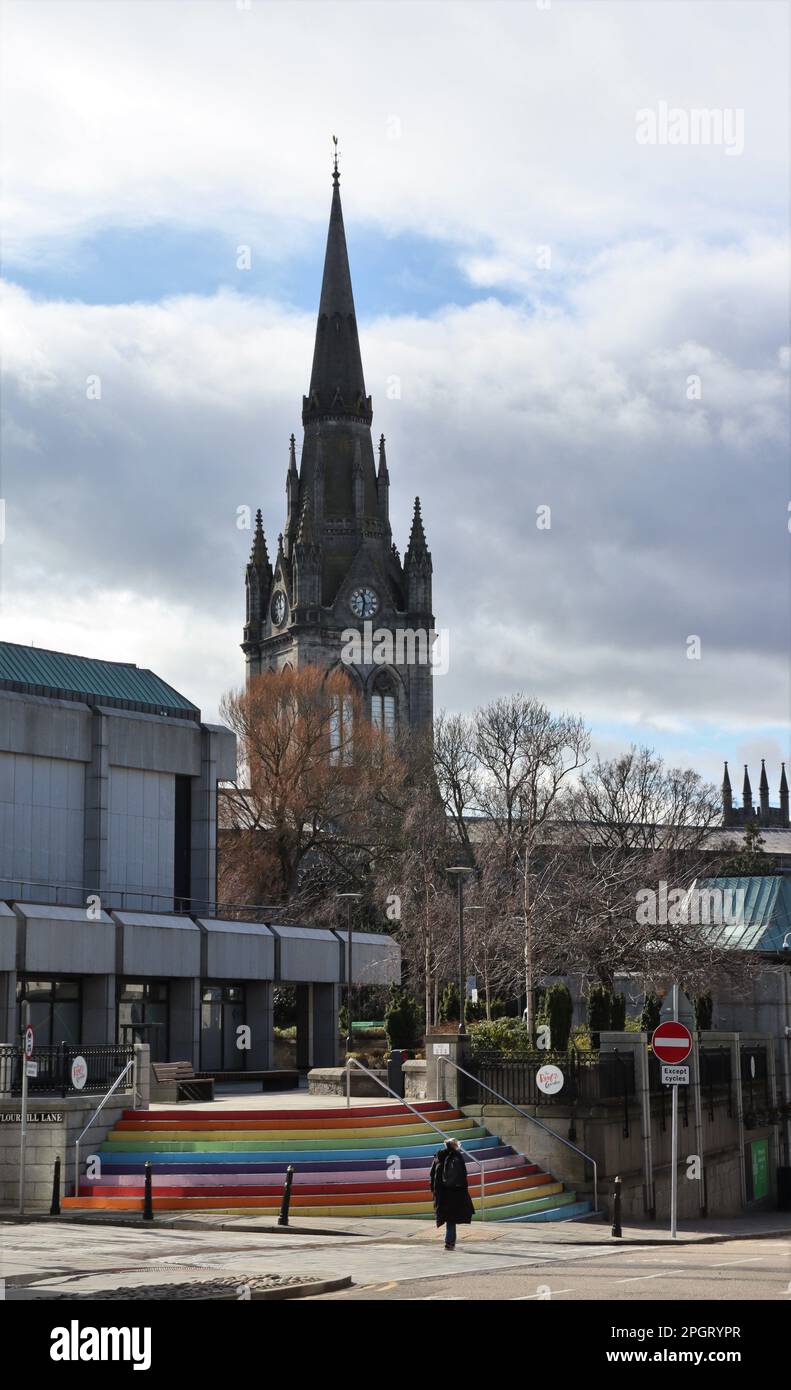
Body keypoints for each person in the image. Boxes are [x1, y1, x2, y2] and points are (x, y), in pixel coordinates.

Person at [430, 1136, 474, 1250]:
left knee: (448, 1218)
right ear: (455, 1146)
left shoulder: (438, 1156)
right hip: (455, 1192)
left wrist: (434, 1191)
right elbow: (463, 1176)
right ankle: (449, 1243)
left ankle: (449, 1242)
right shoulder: (457, 1157)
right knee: (451, 1219)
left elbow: (432, 1174)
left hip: (441, 1193)